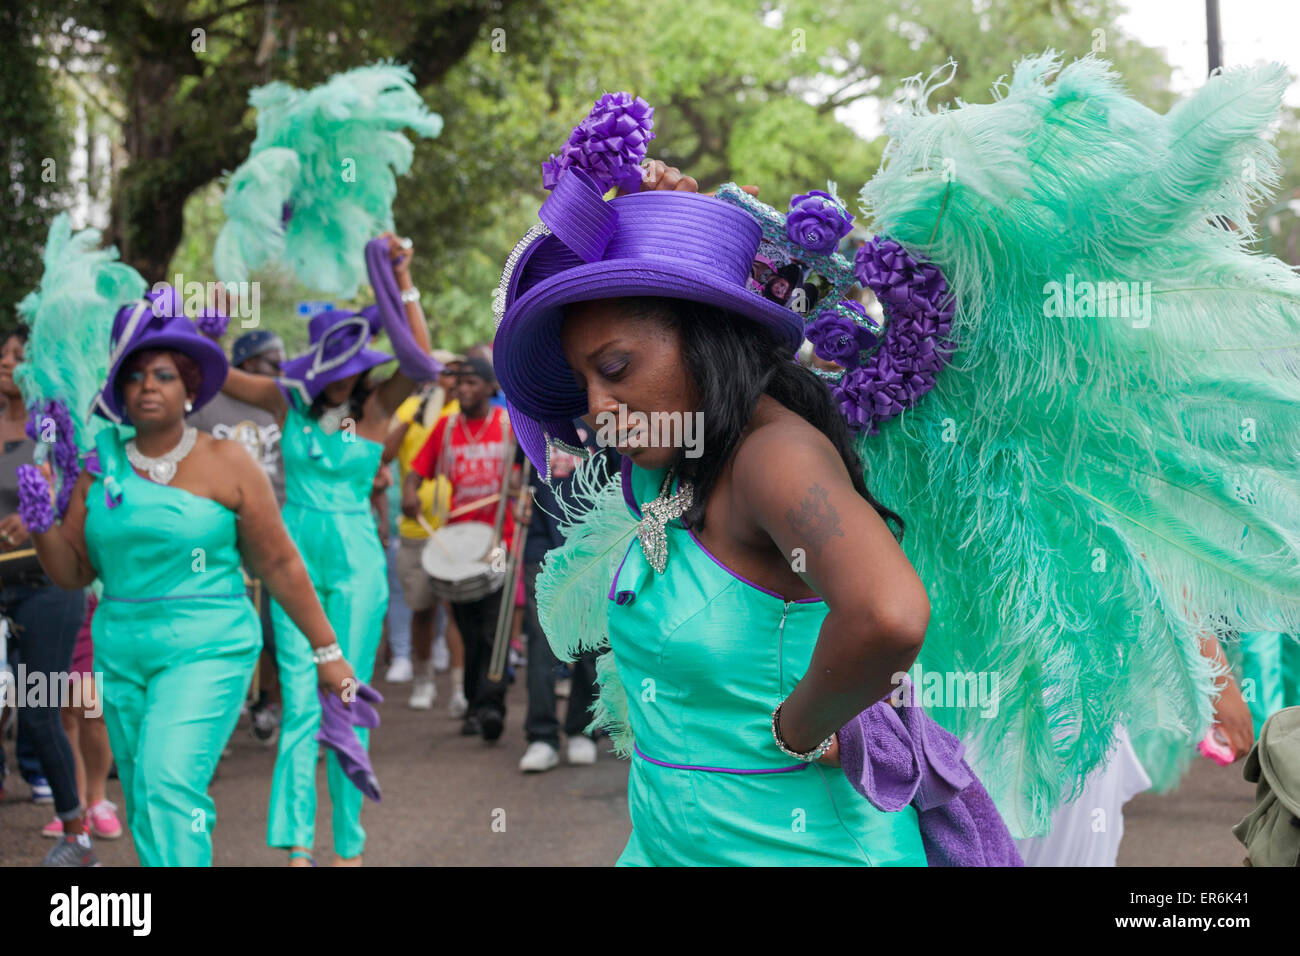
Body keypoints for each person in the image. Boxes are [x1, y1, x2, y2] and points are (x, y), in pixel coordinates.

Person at [495, 146, 935, 864]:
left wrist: (801, 728)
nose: (599, 406)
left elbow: (889, 614)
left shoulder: (775, 458)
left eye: (615, 369)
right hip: (668, 843)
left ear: (704, 338)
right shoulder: (670, 463)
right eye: (584, 381)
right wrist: (662, 221)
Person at [27, 289, 356, 867]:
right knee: (143, 799)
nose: (148, 386)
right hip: (120, 647)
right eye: (135, 376)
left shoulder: (227, 461)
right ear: (120, 393)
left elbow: (278, 562)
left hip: (208, 642)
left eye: (163, 375)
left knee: (168, 777)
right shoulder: (99, 461)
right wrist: (40, 523)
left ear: (188, 388)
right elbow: (73, 573)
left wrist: (325, 648)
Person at [219, 232, 437, 865]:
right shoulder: (286, 399)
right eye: (334, 372)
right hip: (293, 562)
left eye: (354, 371)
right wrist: (208, 319)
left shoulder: (376, 407)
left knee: (344, 701)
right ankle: (296, 849)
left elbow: (422, 361)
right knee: (298, 703)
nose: (345, 383)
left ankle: (348, 848)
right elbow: (215, 377)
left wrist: (403, 279)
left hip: (359, 564)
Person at [0, 327, 91, 866]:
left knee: (40, 712)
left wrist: (40, 517)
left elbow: (76, 490)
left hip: (47, 587)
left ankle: (76, 834)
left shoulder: (54, 428)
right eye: (2, 354)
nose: (9, 362)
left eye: (20, 355)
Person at [403, 355, 521, 743]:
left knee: (494, 626)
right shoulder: (446, 426)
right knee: (468, 630)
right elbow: (416, 471)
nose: (464, 390)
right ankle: (474, 704)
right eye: (460, 384)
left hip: (498, 541)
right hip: (456, 542)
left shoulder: (508, 426)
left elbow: (530, 471)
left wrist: (522, 494)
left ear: (491, 387)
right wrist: (409, 494)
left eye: (473, 383)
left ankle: (491, 706)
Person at [189, 328, 287, 744]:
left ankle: (268, 704)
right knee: (222, 629)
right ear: (246, 364)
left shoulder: (279, 406)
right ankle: (218, 718)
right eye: (272, 362)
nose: (280, 370)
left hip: (276, 533)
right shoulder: (206, 405)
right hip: (219, 538)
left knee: (274, 631)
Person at [517, 425, 604, 773]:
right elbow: (517, 477)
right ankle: (541, 736)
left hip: (591, 547)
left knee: (589, 643)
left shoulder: (600, 426)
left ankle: (582, 730)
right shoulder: (530, 427)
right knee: (541, 644)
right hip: (541, 546)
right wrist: (518, 499)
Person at [382, 361, 467, 715]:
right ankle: (423, 679)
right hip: (415, 530)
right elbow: (385, 455)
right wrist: (413, 411)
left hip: (454, 528)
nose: (445, 380)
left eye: (452, 373)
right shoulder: (409, 408)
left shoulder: (459, 409)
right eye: (439, 372)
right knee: (421, 609)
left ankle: (460, 689)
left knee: (455, 608)